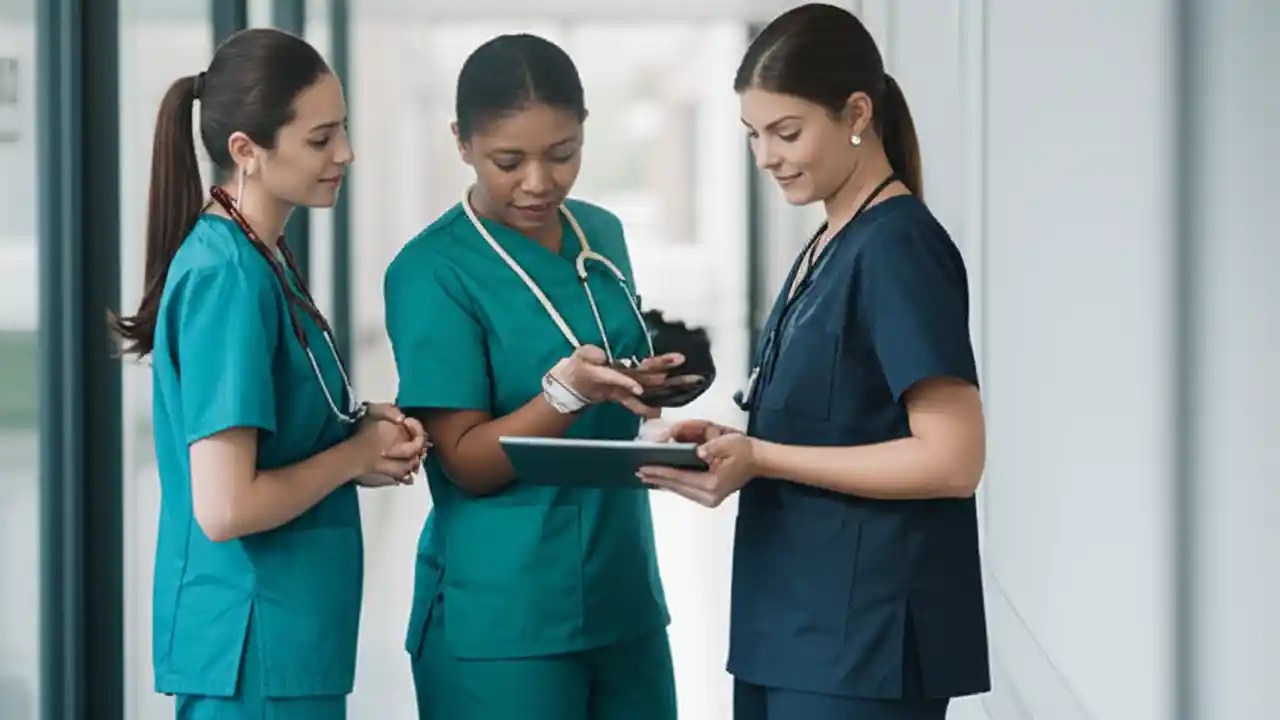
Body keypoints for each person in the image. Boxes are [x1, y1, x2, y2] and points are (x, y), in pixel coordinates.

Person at [638, 4, 990, 719]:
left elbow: (954, 459)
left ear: (856, 112)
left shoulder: (897, 249)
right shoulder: (828, 244)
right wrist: (732, 444)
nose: (767, 155)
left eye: (786, 132)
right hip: (793, 626)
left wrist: (764, 458)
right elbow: (831, 423)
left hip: (863, 643)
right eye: (753, 136)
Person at [109, 28, 428, 720]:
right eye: (319, 139)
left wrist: (359, 431)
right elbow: (226, 509)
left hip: (287, 641)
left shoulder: (260, 255)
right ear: (246, 152)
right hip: (254, 648)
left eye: (342, 130)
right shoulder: (226, 277)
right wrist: (352, 456)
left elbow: (280, 424)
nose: (345, 154)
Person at [383, 33, 682, 720]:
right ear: (461, 142)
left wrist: (650, 393)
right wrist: (567, 393)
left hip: (623, 589)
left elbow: (617, 384)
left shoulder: (600, 234)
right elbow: (465, 462)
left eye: (563, 154)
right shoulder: (431, 271)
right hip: (505, 612)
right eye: (507, 161)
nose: (539, 182)